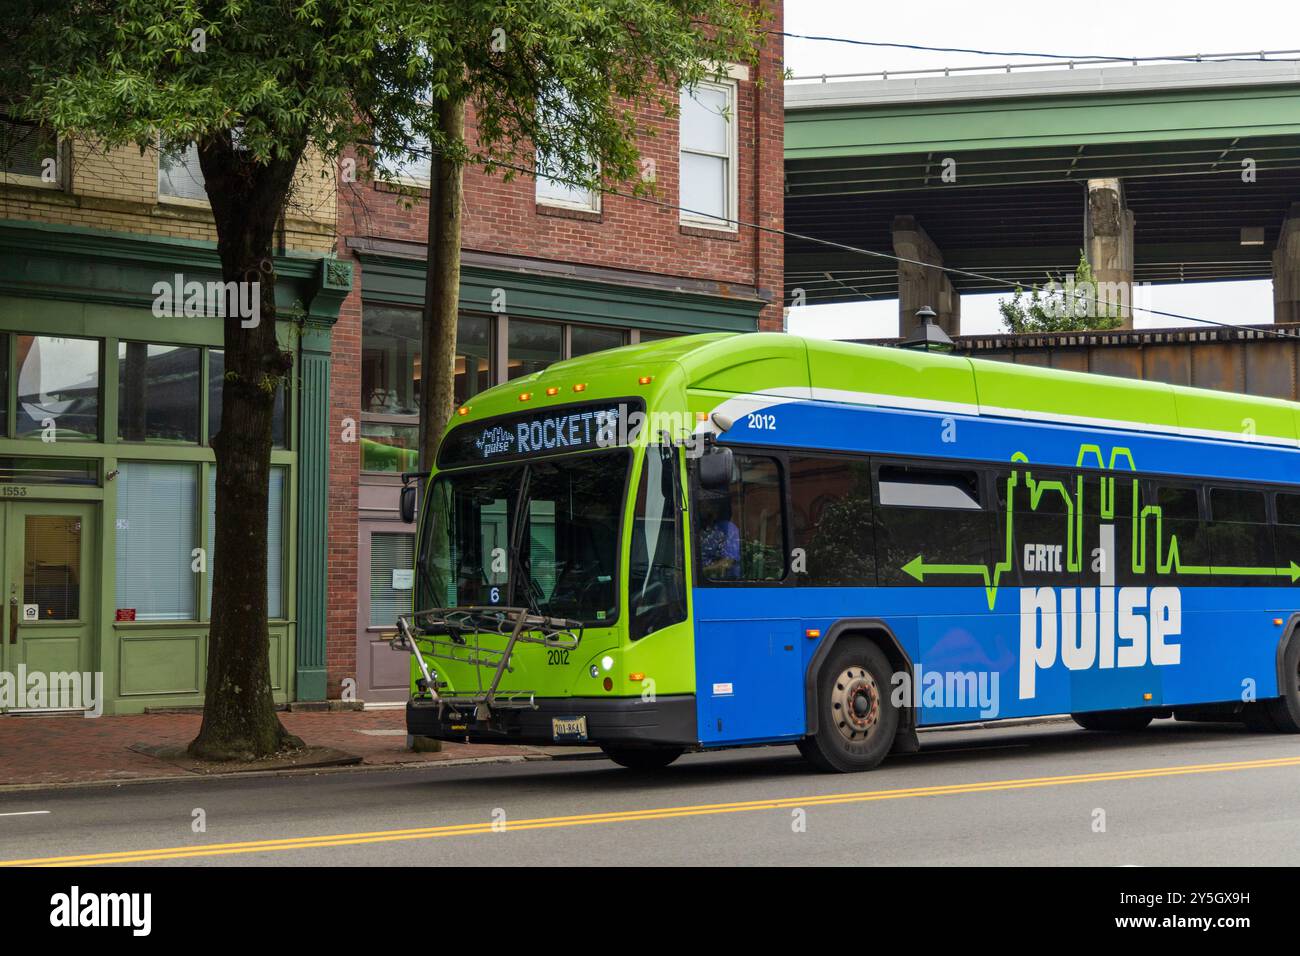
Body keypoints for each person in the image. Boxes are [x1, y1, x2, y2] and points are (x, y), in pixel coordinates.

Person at [699, 495, 741, 579]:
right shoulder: (694, 528)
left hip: (722, 584)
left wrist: (703, 571)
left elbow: (728, 562)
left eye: (709, 504)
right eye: (701, 504)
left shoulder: (728, 528)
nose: (706, 507)